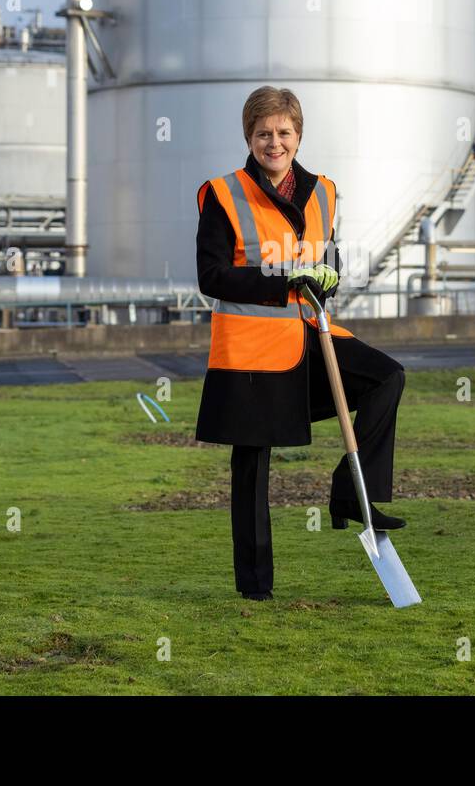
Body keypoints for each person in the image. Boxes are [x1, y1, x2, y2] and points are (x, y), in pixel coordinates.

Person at [195, 85, 407, 601]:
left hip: (312, 337)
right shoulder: (223, 194)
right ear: (249, 136)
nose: (274, 142)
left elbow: (327, 256)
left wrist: (329, 276)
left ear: (298, 135)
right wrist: (284, 282)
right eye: (263, 133)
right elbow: (211, 276)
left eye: (283, 133)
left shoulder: (325, 190)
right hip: (250, 352)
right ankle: (255, 588)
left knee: (388, 377)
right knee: (251, 468)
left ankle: (352, 493)